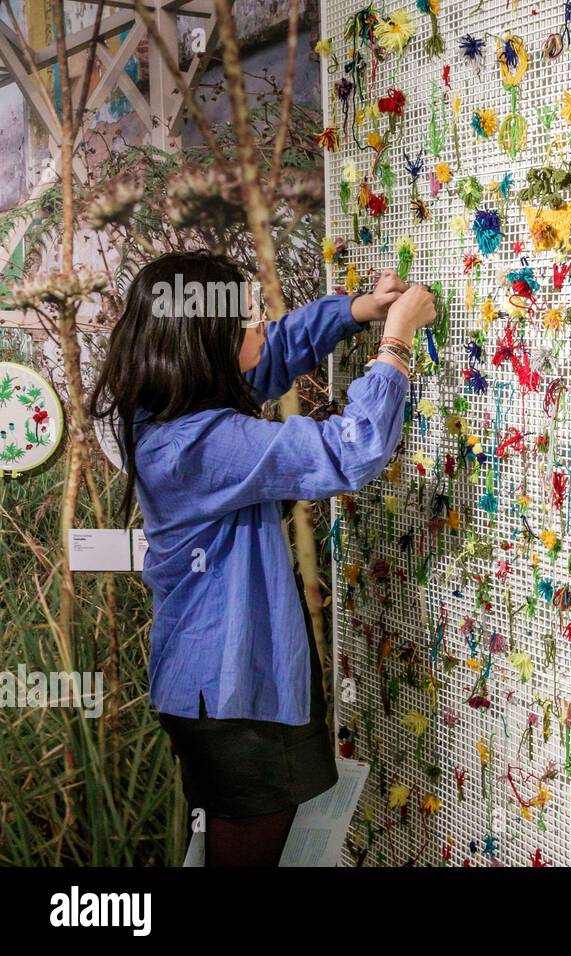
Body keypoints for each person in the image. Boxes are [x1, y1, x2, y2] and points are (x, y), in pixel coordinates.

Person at [90, 250, 434, 866]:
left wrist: (359, 310)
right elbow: (351, 451)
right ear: (206, 341)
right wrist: (397, 341)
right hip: (235, 693)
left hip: (216, 686)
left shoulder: (164, 405)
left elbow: (271, 354)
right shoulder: (199, 443)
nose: (261, 327)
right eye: (248, 319)